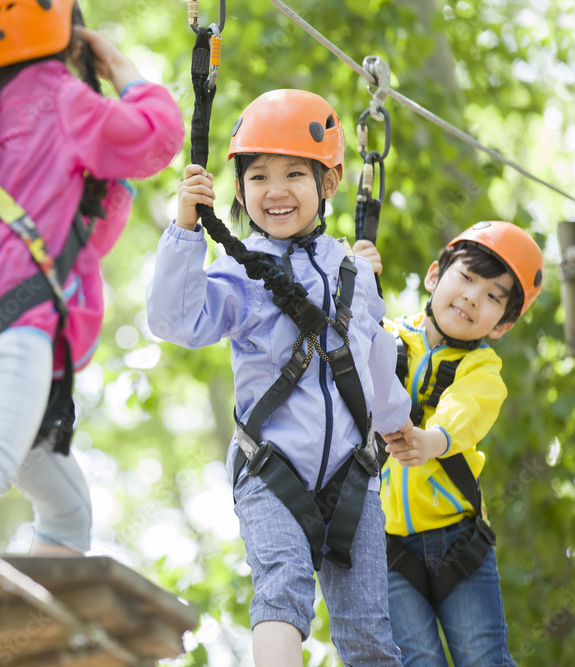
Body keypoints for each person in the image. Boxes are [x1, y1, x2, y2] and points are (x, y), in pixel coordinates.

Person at [0, 0, 183, 568]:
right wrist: (120, 70)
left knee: (66, 511)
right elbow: (156, 138)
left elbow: (49, 237)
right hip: (16, 324)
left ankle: (33, 641)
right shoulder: (60, 96)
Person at [146, 89, 411, 666]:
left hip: (354, 476)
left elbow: (373, 360)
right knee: (281, 590)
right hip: (271, 469)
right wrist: (187, 231)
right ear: (239, 190)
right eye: (259, 176)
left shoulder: (353, 274)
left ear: (328, 183)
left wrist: (398, 425)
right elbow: (174, 320)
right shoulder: (240, 276)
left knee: (369, 631)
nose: (276, 191)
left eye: (295, 173)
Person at [354, 220, 544, 666]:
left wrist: (431, 440)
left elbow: (466, 409)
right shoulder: (387, 336)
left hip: (457, 540)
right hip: (386, 547)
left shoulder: (482, 368)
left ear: (503, 325)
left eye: (494, 297)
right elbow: (349, 348)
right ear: (435, 275)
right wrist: (357, 282)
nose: (474, 296)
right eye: (467, 277)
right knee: (417, 660)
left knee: (484, 658)